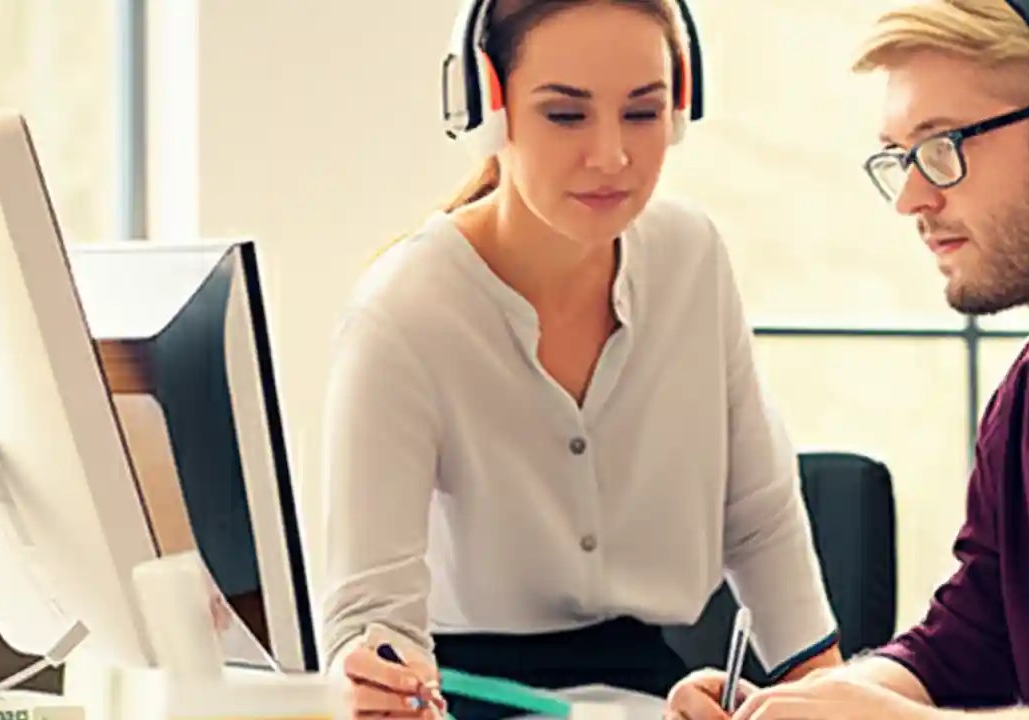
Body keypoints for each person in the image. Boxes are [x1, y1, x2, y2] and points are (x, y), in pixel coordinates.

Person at [319, 0, 845, 717]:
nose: (611, 157)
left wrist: (829, 698)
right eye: (566, 116)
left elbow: (758, 517)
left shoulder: (692, 257)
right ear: (490, 109)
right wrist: (373, 677)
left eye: (641, 112)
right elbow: (371, 617)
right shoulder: (404, 309)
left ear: (680, 105)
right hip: (459, 691)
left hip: (645, 687)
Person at [665, 0, 1029, 718]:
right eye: (901, 158)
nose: (912, 198)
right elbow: (963, 645)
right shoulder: (1026, 405)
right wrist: (818, 703)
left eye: (945, 143)